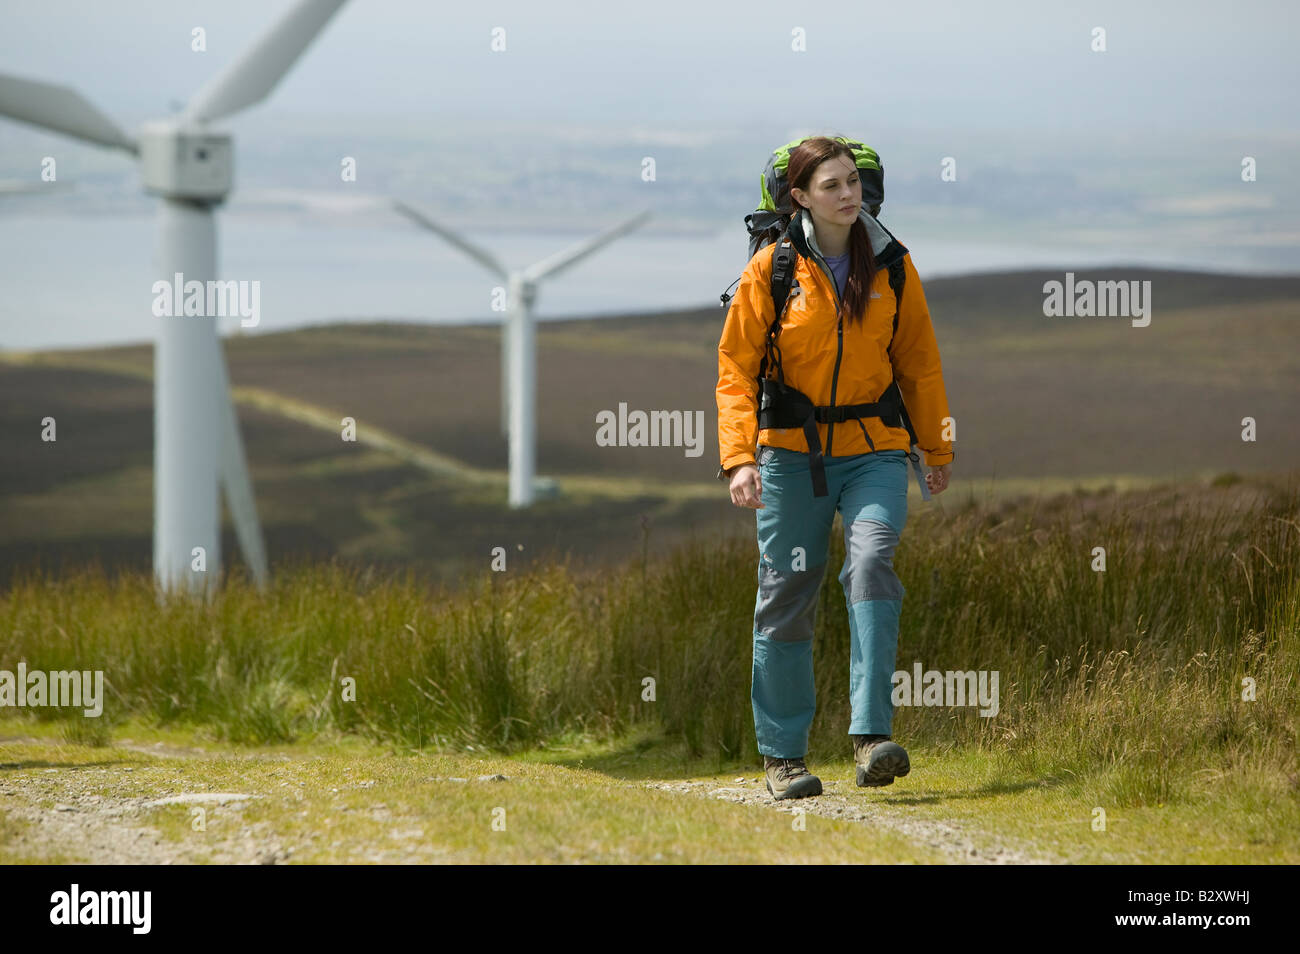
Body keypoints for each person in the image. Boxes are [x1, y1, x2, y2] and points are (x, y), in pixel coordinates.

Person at [716, 136, 954, 800]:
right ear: (800, 198)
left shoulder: (894, 266)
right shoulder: (772, 271)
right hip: (789, 455)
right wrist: (738, 458)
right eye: (832, 186)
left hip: (875, 447)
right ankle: (784, 757)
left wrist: (935, 449)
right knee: (788, 594)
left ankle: (871, 737)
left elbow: (920, 364)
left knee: (873, 560)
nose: (848, 194)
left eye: (853, 182)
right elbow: (734, 372)